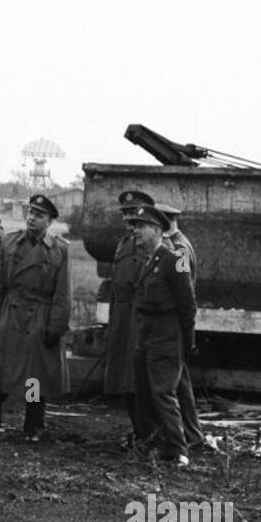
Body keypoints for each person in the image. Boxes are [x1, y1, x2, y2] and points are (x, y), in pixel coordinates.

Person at [0, 194, 71, 442]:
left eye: (39, 215)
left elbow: (63, 294)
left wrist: (55, 327)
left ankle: (32, 428)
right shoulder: (9, 243)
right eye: (30, 213)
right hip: (11, 314)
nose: (32, 218)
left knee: (33, 378)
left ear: (49, 221)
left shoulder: (59, 250)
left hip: (38, 318)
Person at [130, 206, 196, 465]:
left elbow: (187, 304)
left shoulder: (174, 259)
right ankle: (154, 445)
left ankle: (179, 450)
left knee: (163, 393)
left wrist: (187, 342)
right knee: (145, 392)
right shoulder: (148, 260)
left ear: (157, 230)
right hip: (147, 335)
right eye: (135, 226)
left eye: (141, 226)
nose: (135, 231)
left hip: (166, 337)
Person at [101, 188, 155, 449]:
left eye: (134, 213)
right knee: (125, 380)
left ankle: (149, 434)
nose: (128, 219)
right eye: (126, 214)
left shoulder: (156, 246)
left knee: (139, 380)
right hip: (122, 316)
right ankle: (139, 431)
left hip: (139, 317)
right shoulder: (123, 243)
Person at [154, 202, 205, 450]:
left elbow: (185, 294)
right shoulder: (179, 244)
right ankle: (193, 435)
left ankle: (186, 438)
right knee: (181, 384)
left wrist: (187, 332)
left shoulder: (178, 250)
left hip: (172, 325)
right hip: (175, 325)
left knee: (176, 388)